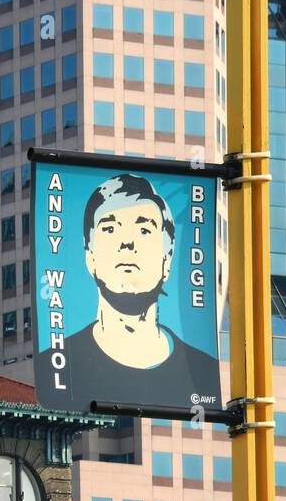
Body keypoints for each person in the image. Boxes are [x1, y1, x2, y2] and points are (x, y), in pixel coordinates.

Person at [34, 172, 219, 413]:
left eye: (144, 230)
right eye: (110, 229)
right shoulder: (56, 368)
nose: (127, 243)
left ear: (168, 259)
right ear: (89, 255)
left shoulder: (201, 371)